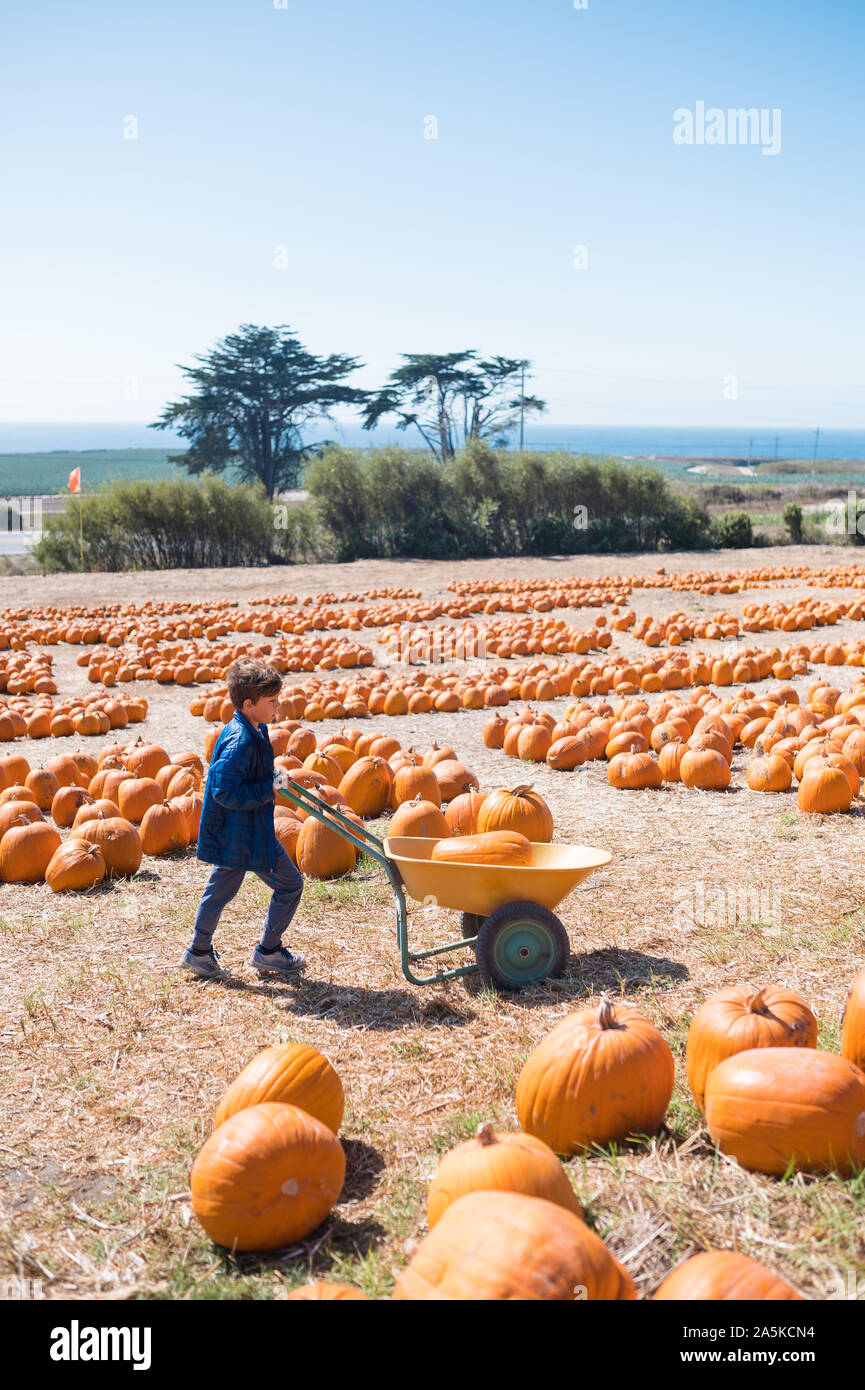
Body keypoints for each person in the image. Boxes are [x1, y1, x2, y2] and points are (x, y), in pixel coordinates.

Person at [179, 657, 306, 981]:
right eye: (272, 701)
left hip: (239, 832)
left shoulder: (254, 727)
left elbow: (249, 774)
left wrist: (271, 775)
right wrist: (268, 787)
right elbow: (223, 789)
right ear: (249, 704)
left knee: (219, 892)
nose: (278, 705)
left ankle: (199, 952)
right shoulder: (240, 740)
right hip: (243, 835)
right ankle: (269, 952)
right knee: (290, 884)